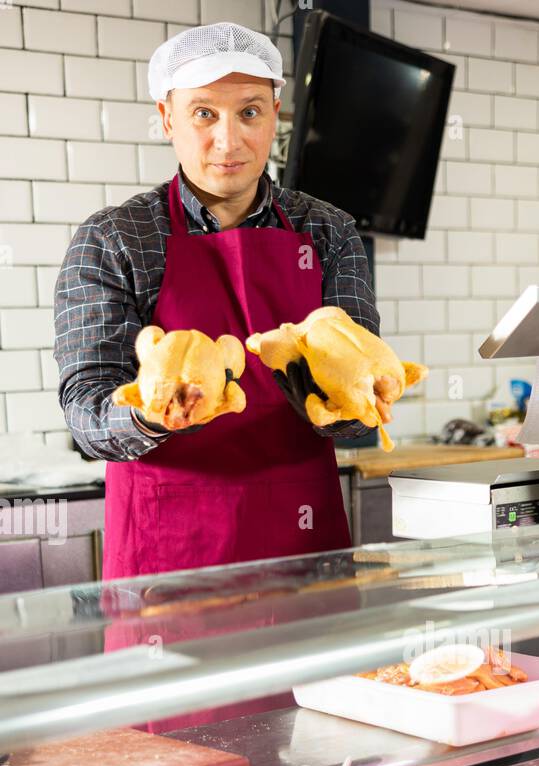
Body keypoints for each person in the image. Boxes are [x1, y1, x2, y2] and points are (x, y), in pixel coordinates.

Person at [54, 22, 379, 581]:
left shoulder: (330, 232)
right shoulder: (113, 238)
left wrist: (361, 400)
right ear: (167, 118)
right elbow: (85, 410)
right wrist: (155, 414)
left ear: (276, 113)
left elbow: (353, 410)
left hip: (303, 549)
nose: (228, 141)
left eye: (249, 112)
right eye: (204, 113)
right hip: (168, 557)